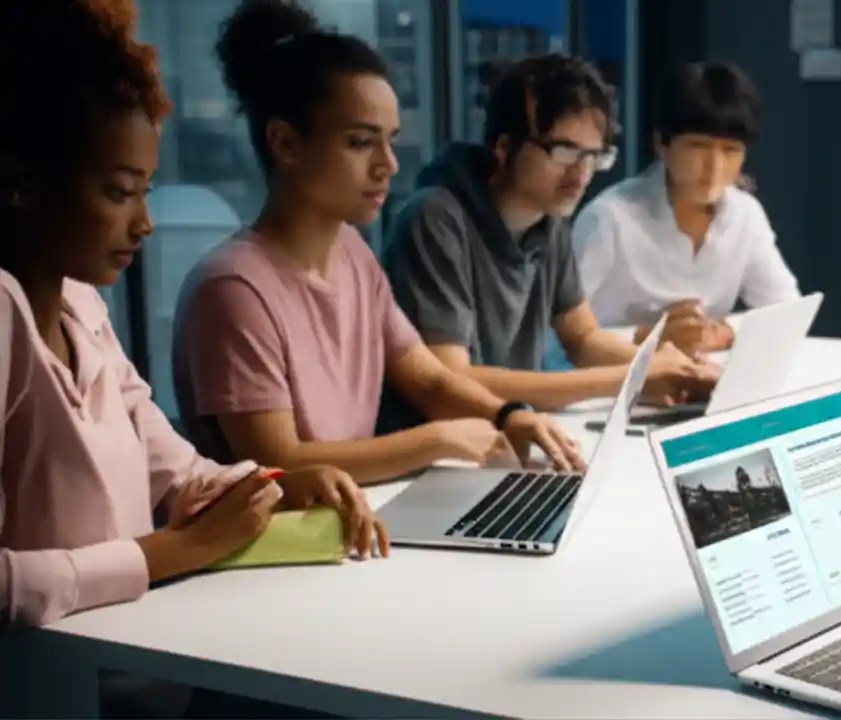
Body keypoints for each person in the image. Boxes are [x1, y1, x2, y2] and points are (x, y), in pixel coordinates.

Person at [0, 0, 385, 631]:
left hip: (141, 658)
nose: (145, 223)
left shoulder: (82, 308)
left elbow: (178, 471)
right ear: (19, 183)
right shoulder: (5, 312)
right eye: (119, 192)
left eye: (145, 191)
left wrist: (278, 484)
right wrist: (172, 553)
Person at [172, 0, 585, 486]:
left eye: (390, 141)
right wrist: (438, 439)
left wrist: (509, 414)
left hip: (356, 525)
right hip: (282, 550)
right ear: (285, 143)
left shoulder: (352, 254)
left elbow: (427, 377)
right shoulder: (233, 288)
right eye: (360, 143)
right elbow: (278, 461)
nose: (388, 164)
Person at [381, 54, 719, 416]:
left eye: (594, 156)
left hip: (507, 435)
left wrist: (681, 370)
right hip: (435, 450)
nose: (581, 173)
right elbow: (451, 378)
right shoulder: (435, 218)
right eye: (563, 150)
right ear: (504, 146)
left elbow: (583, 338)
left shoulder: (548, 220)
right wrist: (633, 377)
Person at [573, 62, 800, 353]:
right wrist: (649, 338)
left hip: (701, 381)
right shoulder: (609, 218)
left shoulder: (745, 214)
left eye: (730, 150)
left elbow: (787, 313)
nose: (714, 168)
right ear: (662, 144)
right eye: (698, 146)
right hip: (612, 385)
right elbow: (552, 342)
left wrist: (726, 331)